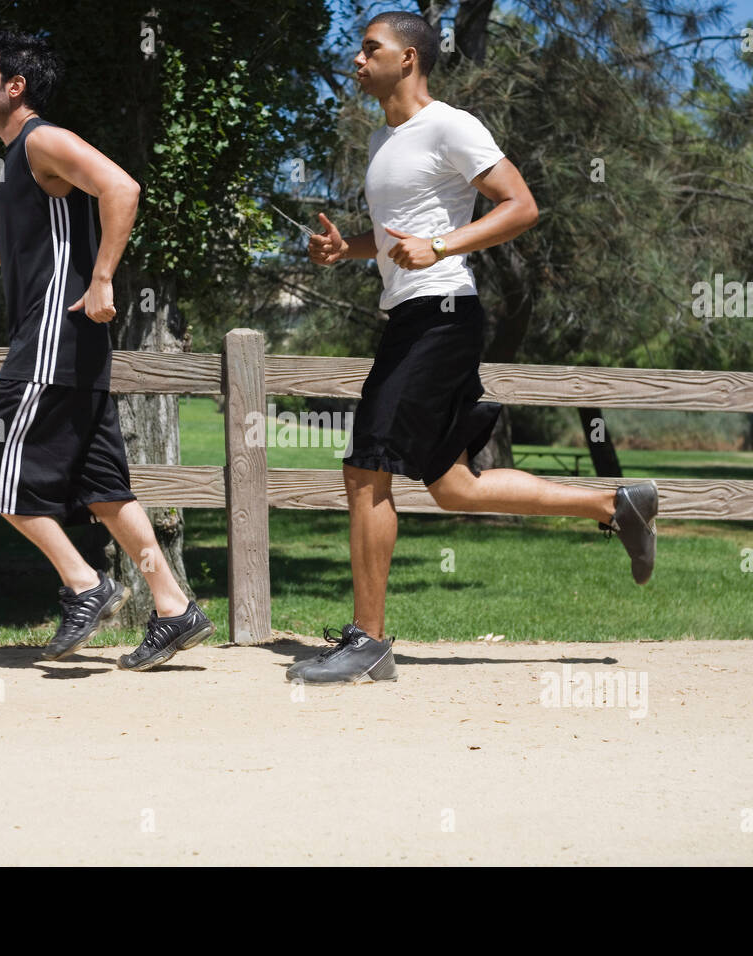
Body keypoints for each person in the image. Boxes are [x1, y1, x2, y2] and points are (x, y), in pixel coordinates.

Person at [290, 11, 658, 685]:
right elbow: (405, 232)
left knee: (366, 467)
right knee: (455, 486)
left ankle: (367, 640)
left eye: (370, 48)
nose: (357, 60)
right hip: (414, 314)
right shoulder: (383, 138)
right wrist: (350, 248)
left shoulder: (451, 125)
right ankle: (616, 506)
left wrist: (443, 246)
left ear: (408, 60)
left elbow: (521, 205)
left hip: (443, 313)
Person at [0, 29, 212, 671]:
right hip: (73, 342)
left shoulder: (43, 140)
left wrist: (104, 279)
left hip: (56, 336)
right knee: (103, 487)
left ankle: (85, 584)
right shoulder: (16, 161)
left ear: (16, 86)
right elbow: (40, 255)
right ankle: (174, 609)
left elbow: (123, 188)